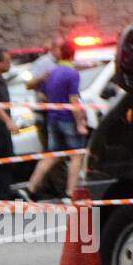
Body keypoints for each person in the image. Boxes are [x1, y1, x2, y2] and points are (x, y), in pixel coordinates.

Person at [27, 40, 87, 199]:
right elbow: (74, 100)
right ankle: (70, 193)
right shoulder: (73, 74)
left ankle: (31, 187)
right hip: (67, 119)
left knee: (52, 155)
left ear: (61, 53)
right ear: (73, 55)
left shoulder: (52, 72)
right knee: (76, 156)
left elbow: (42, 95)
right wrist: (80, 123)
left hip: (52, 118)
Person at [0, 47, 18, 201]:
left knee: (7, 163)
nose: (10, 64)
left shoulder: (1, 79)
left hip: (3, 131)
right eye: (7, 61)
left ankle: (5, 198)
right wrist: (8, 121)